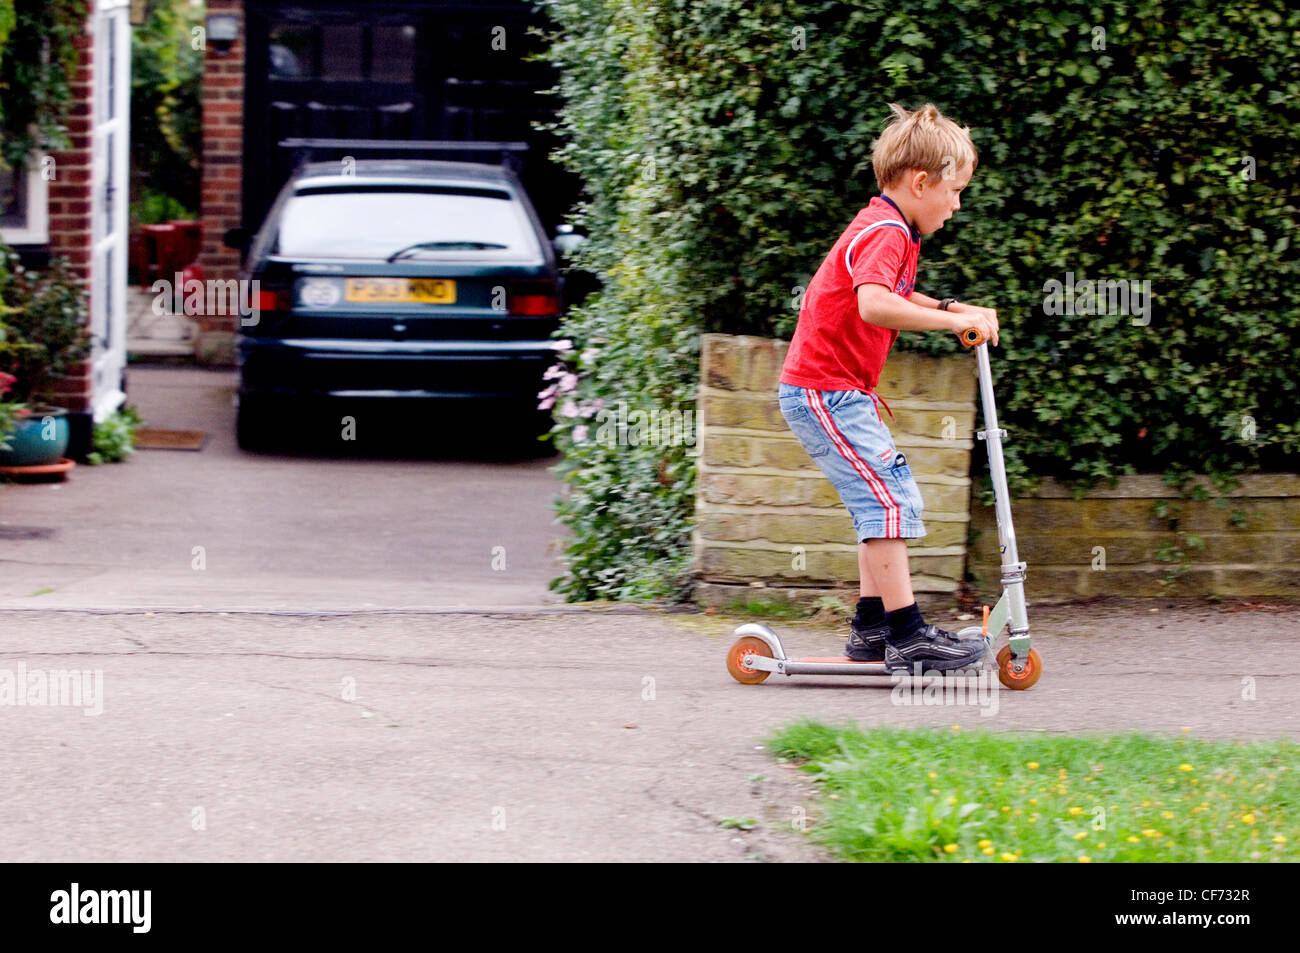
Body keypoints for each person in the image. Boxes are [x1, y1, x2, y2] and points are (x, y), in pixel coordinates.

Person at [777, 101, 999, 673]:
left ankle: (872, 629)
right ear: (920, 181)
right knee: (889, 502)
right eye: (954, 191)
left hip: (837, 391)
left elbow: (896, 292)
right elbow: (875, 303)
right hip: (826, 390)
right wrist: (953, 323)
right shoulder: (886, 232)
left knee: (877, 504)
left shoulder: (889, 227)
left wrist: (952, 307)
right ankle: (908, 637)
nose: (956, 204)